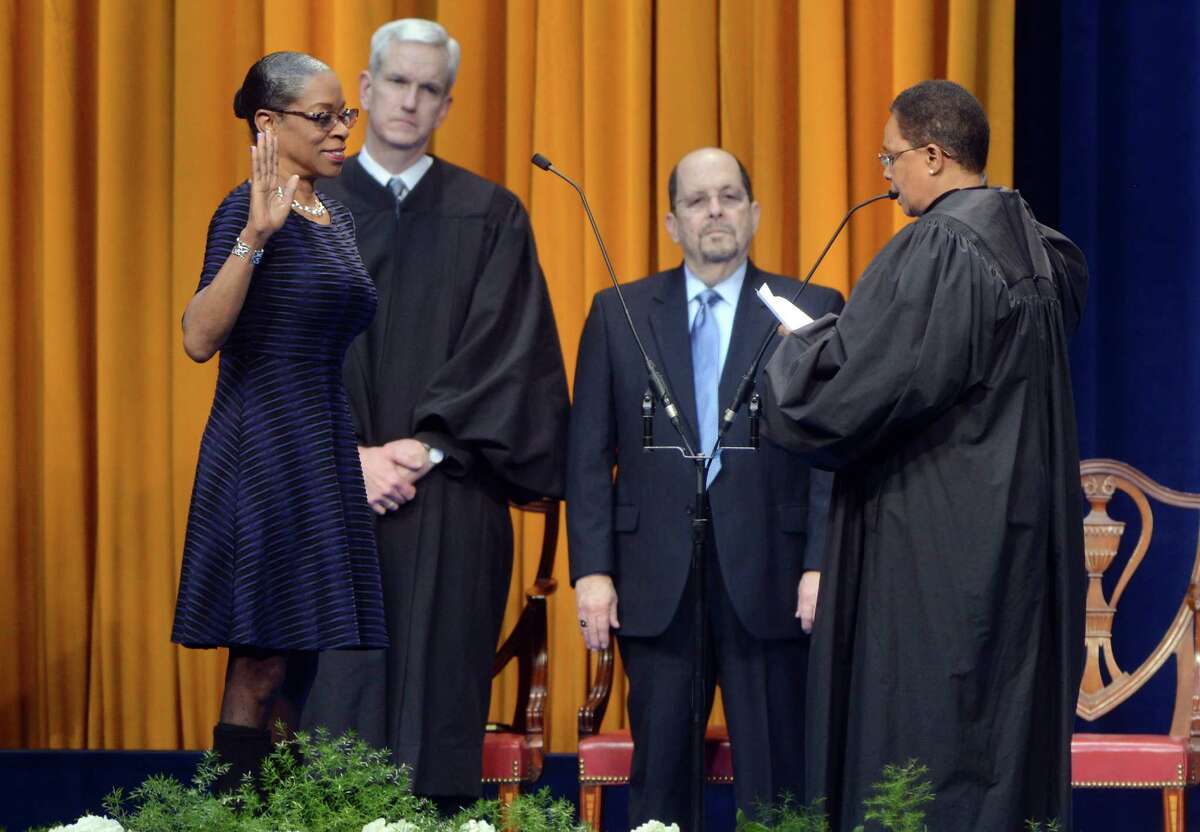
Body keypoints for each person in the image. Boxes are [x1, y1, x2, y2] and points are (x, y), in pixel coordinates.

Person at [761, 80, 1088, 831]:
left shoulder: (941, 247)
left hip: (938, 549)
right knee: (1002, 742)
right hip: (1018, 548)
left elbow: (858, 391)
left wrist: (800, 353)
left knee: (926, 752)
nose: (885, 175)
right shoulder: (1043, 249)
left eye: (892, 156)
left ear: (934, 156)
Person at [299, 19, 569, 812]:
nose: (410, 101)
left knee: (439, 706)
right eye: (397, 82)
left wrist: (427, 446)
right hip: (329, 499)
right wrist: (349, 457)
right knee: (329, 708)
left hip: (451, 497)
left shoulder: (491, 214)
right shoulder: (305, 208)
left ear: (447, 105)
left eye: (429, 89)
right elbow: (279, 354)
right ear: (365, 88)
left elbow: (510, 354)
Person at [567, 147, 843, 826]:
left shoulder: (812, 308)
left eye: (729, 197)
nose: (715, 211)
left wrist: (820, 564)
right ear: (671, 223)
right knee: (661, 780)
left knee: (779, 784)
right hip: (655, 578)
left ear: (754, 212)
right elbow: (588, 455)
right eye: (697, 201)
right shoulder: (619, 312)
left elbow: (832, 452)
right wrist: (593, 572)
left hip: (776, 574)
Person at [173, 52, 385, 793]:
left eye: (344, 115)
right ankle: (229, 814)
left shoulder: (335, 215)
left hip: (318, 447)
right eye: (322, 118)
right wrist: (255, 238)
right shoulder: (245, 210)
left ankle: (284, 813)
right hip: (260, 450)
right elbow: (199, 338)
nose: (341, 131)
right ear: (267, 123)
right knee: (261, 660)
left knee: (301, 660)